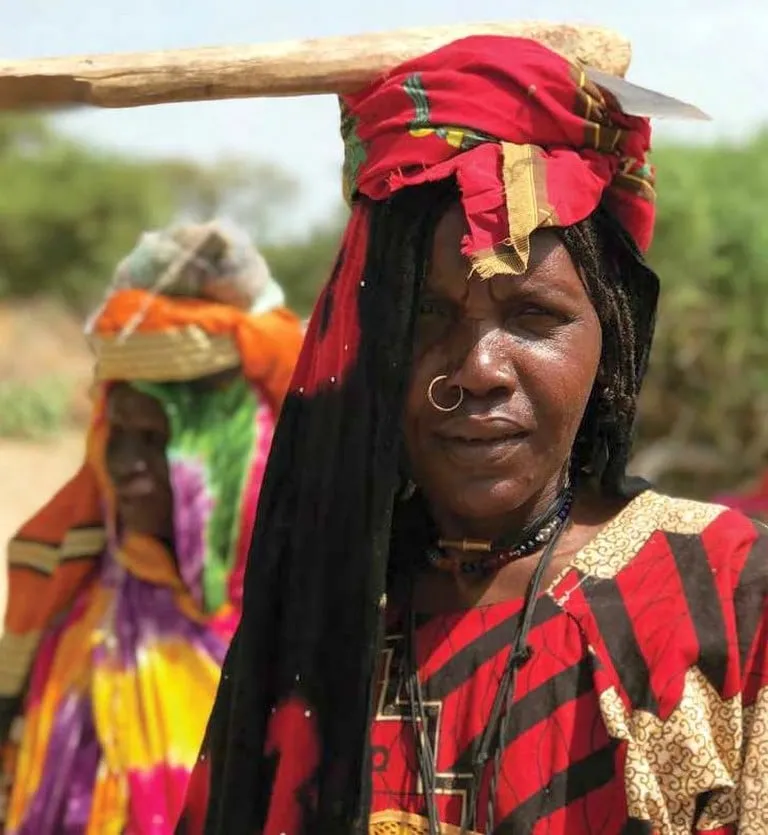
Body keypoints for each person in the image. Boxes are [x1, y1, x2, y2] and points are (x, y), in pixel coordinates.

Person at [180, 35, 768, 835]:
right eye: (428, 314)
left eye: (533, 315)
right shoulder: (326, 606)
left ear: (611, 340)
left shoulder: (725, 592)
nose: (480, 368)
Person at [0, 221, 303, 834]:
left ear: (224, 458)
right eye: (119, 437)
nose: (126, 467)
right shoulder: (81, 620)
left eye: (157, 441)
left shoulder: (296, 634)